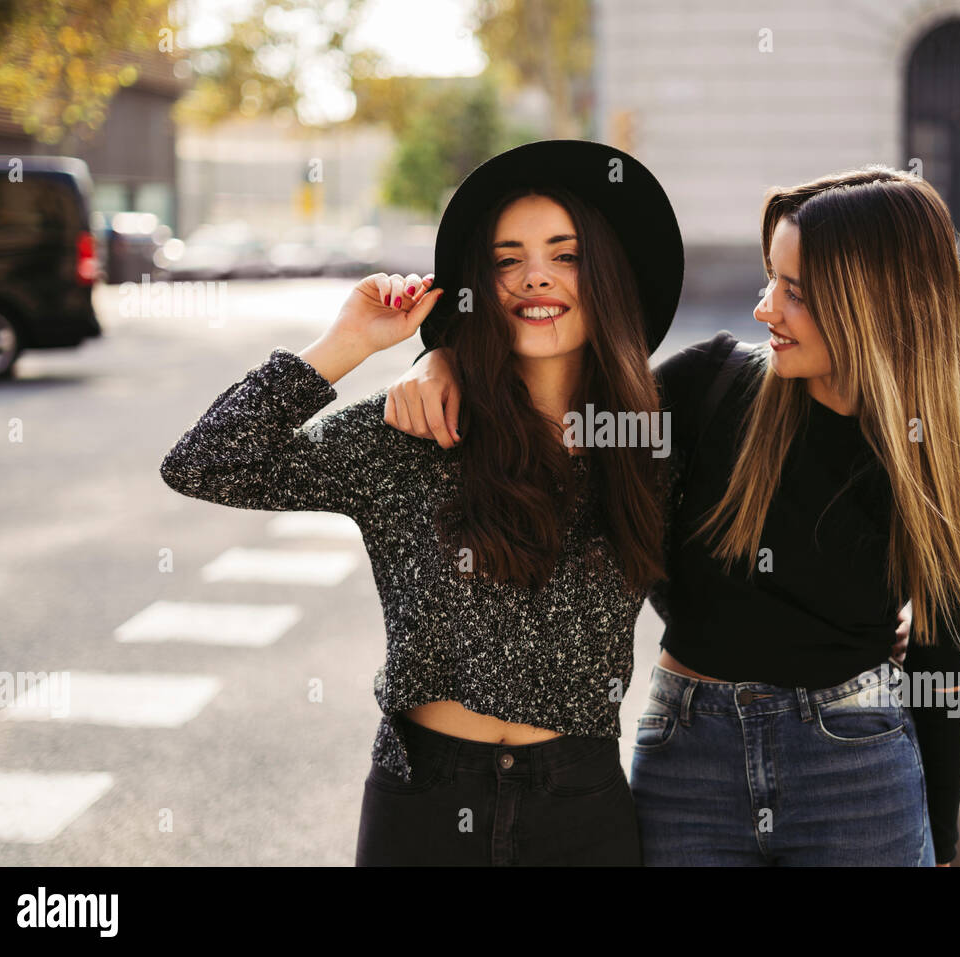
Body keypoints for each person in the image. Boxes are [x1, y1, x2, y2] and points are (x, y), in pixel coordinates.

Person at [387, 165, 960, 866]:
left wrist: (947, 839)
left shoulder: (956, 481)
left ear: (878, 304)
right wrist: (440, 358)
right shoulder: (712, 384)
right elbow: (559, 418)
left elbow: (941, 688)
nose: (765, 309)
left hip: (857, 771)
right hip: (688, 763)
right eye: (769, 279)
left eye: (796, 292)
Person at [159, 139, 685, 865]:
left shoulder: (650, 443)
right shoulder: (415, 429)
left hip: (583, 808)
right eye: (507, 260)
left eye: (565, 255)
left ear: (608, 276)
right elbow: (205, 462)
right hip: (427, 801)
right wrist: (348, 345)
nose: (535, 277)